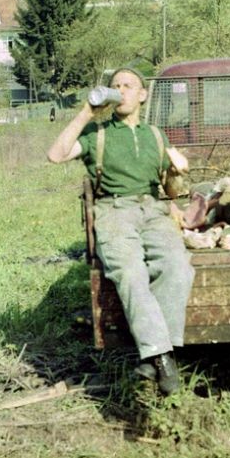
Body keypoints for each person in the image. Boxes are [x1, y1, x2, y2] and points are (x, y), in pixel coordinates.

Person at [47, 67, 195, 395]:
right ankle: (163, 359)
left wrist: (176, 173)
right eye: (116, 86)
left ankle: (152, 356)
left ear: (142, 95)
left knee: (178, 268)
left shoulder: (155, 135)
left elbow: (169, 192)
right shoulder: (97, 134)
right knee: (130, 273)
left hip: (154, 211)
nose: (121, 90)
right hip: (114, 211)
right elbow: (55, 155)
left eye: (129, 86)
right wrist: (87, 111)